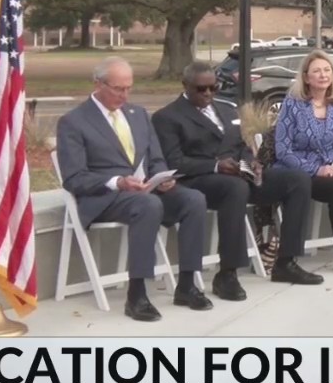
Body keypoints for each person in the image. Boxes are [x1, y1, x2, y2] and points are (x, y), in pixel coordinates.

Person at [53, 57, 214, 322]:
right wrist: (117, 182)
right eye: (118, 89)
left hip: (145, 190)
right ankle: (136, 294)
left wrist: (162, 177)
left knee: (193, 199)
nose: (124, 95)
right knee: (148, 205)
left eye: (129, 88)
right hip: (105, 197)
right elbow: (74, 178)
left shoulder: (137, 114)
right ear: (98, 84)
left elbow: (156, 158)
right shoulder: (74, 122)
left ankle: (186, 285)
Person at [152, 62, 323, 288]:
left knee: (297, 180)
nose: (208, 94)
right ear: (186, 86)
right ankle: (228, 273)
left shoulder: (227, 109)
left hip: (238, 173)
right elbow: (175, 161)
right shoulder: (167, 117)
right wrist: (215, 165)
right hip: (199, 180)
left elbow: (240, 144)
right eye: (201, 89)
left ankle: (286, 262)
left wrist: (252, 162)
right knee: (234, 187)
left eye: (214, 87)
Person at [270, 52, 333, 275]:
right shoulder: (293, 104)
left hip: (331, 168)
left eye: (327, 70)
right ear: (306, 77)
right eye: (316, 71)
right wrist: (316, 169)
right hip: (300, 171)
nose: (323, 75)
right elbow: (282, 149)